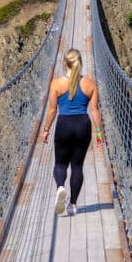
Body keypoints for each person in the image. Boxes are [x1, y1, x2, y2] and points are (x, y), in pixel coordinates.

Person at [42, 48, 102, 216]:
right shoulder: (90, 84)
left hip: (64, 125)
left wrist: (46, 129)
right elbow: (95, 110)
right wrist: (98, 133)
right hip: (83, 125)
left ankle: (60, 187)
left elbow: (52, 111)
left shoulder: (56, 84)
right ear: (80, 63)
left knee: (60, 163)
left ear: (64, 63)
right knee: (77, 166)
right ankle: (73, 205)